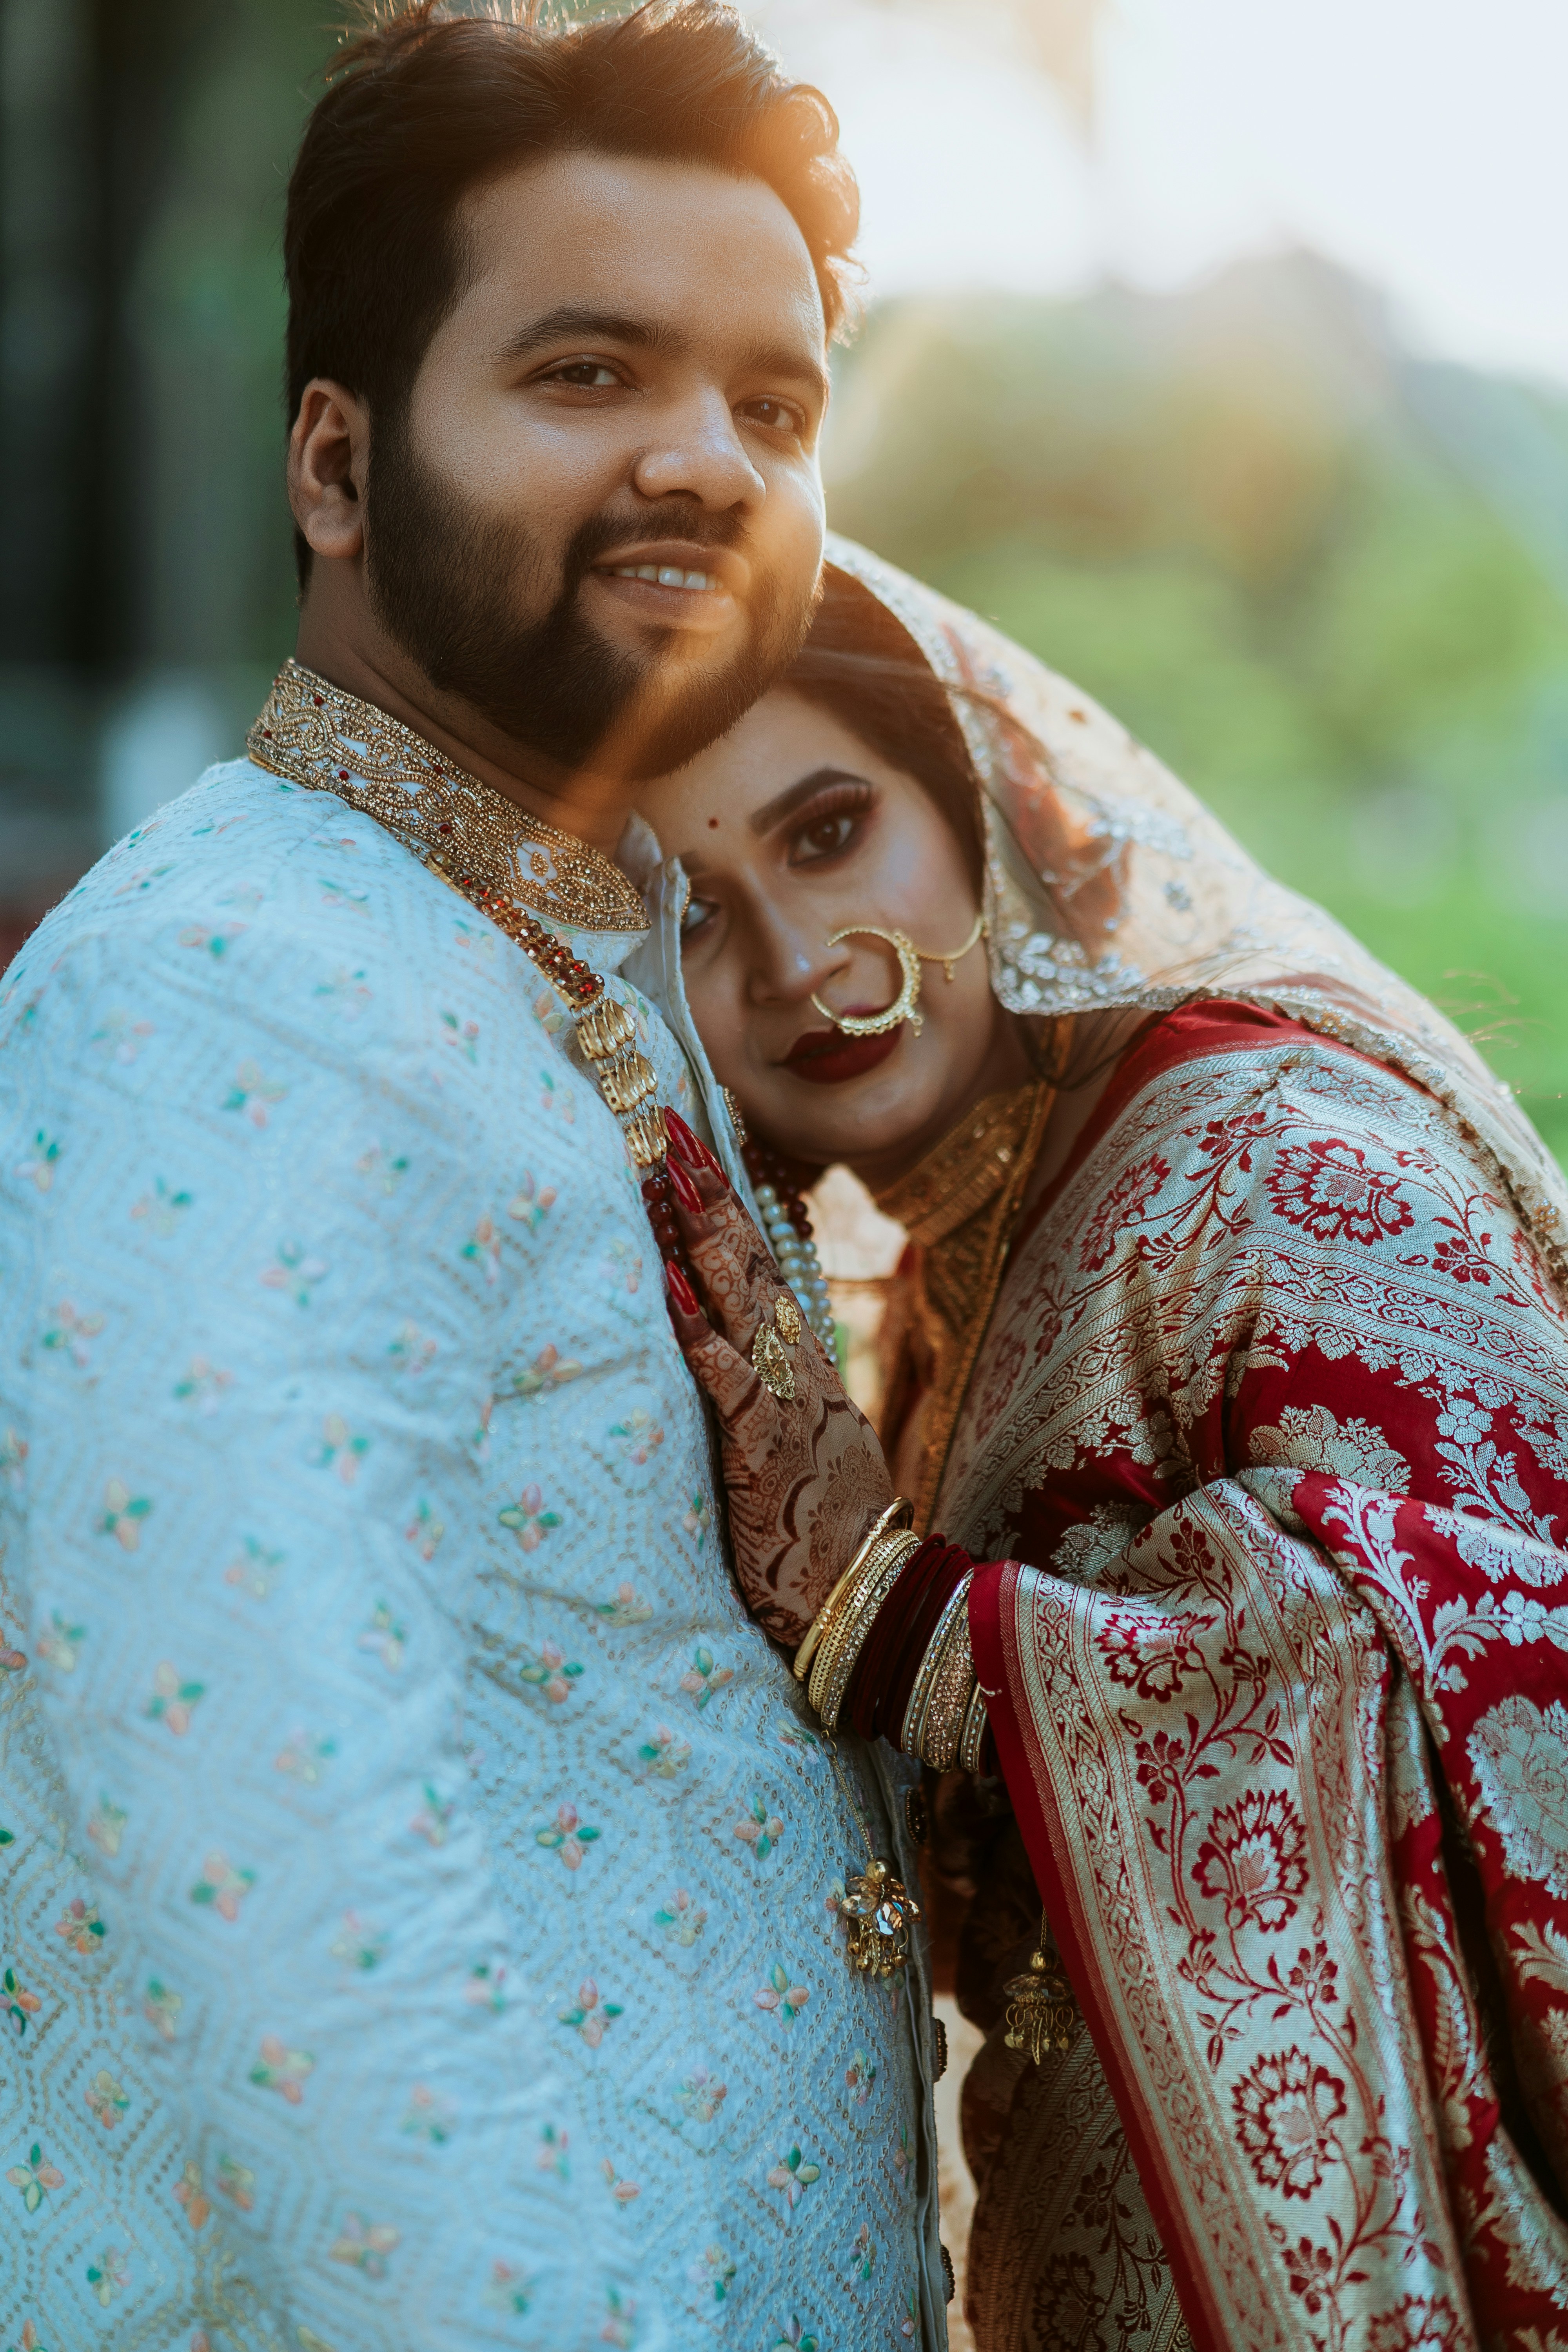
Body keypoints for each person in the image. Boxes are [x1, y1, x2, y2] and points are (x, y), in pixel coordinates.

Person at [0, 22, 946, 2350]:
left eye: (779, 407)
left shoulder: (586, 970)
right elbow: (285, 1878)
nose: (704, 464)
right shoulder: (233, 997)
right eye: (588, 369)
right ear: (334, 463)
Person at [637, 538, 1568, 2350]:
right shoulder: (940, 1277)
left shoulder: (1280, 1169)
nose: (797, 957)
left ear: (984, 805)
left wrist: (922, 1633)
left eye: (830, 832)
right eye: (688, 914)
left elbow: (1520, 1677)